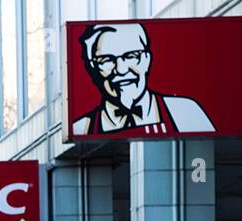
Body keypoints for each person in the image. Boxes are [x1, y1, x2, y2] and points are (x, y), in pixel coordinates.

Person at [71, 22, 213, 137]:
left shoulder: (184, 112)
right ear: (93, 67)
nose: (121, 69)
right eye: (107, 60)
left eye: (131, 56)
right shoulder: (81, 128)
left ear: (147, 60)